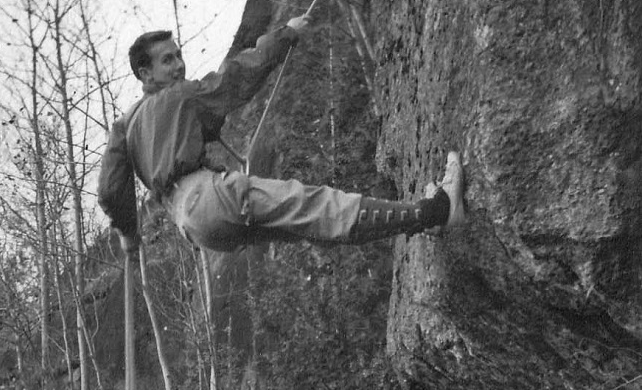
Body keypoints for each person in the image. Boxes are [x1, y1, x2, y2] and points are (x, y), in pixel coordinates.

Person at [98, 17, 464, 253]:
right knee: (317, 207)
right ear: (145, 74)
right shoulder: (180, 95)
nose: (179, 65)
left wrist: (129, 235)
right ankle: (437, 211)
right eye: (167, 60)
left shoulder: (124, 126)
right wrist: (285, 36)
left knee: (316, 228)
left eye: (178, 56)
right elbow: (237, 77)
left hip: (195, 230)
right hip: (210, 198)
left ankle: (420, 220)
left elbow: (111, 191)